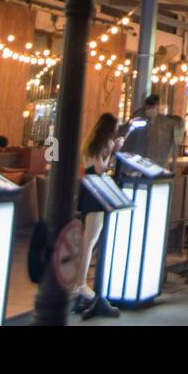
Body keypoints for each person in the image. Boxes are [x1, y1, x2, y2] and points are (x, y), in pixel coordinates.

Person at [75, 113, 123, 318]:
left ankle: (81, 282)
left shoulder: (91, 143)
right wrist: (112, 151)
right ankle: (81, 283)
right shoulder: (97, 145)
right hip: (95, 192)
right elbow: (100, 168)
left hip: (92, 191)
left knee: (91, 239)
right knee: (90, 240)